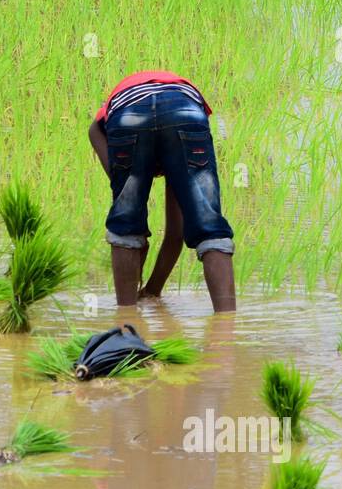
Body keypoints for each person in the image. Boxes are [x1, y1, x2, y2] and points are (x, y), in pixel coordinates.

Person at [88, 70, 235, 311]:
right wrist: (152, 290)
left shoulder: (111, 114)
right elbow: (175, 234)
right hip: (185, 108)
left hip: (129, 110)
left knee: (126, 223)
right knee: (209, 226)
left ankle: (126, 319)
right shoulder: (177, 156)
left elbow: (94, 130)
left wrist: (152, 290)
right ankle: (228, 325)